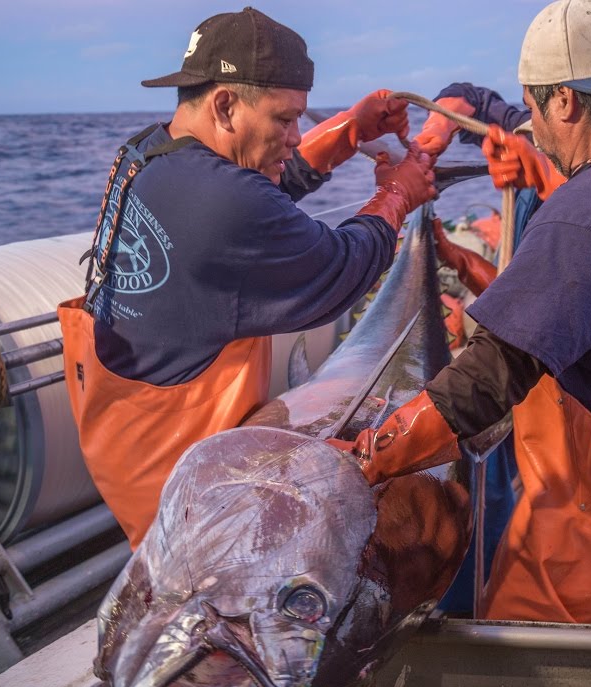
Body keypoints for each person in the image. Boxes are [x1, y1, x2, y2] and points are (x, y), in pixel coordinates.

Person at [332, 0, 591, 625]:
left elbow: (491, 376)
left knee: (531, 653)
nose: (531, 129)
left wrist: (363, 458)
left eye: (535, 108)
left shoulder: (588, 212)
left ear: (565, 102)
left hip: (587, 498)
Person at [57, 6, 436, 549]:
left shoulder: (154, 154)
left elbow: (261, 193)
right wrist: (398, 195)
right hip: (188, 492)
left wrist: (351, 131)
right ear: (227, 104)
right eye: (285, 119)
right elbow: (342, 268)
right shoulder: (220, 200)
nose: (295, 133)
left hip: (128, 449)